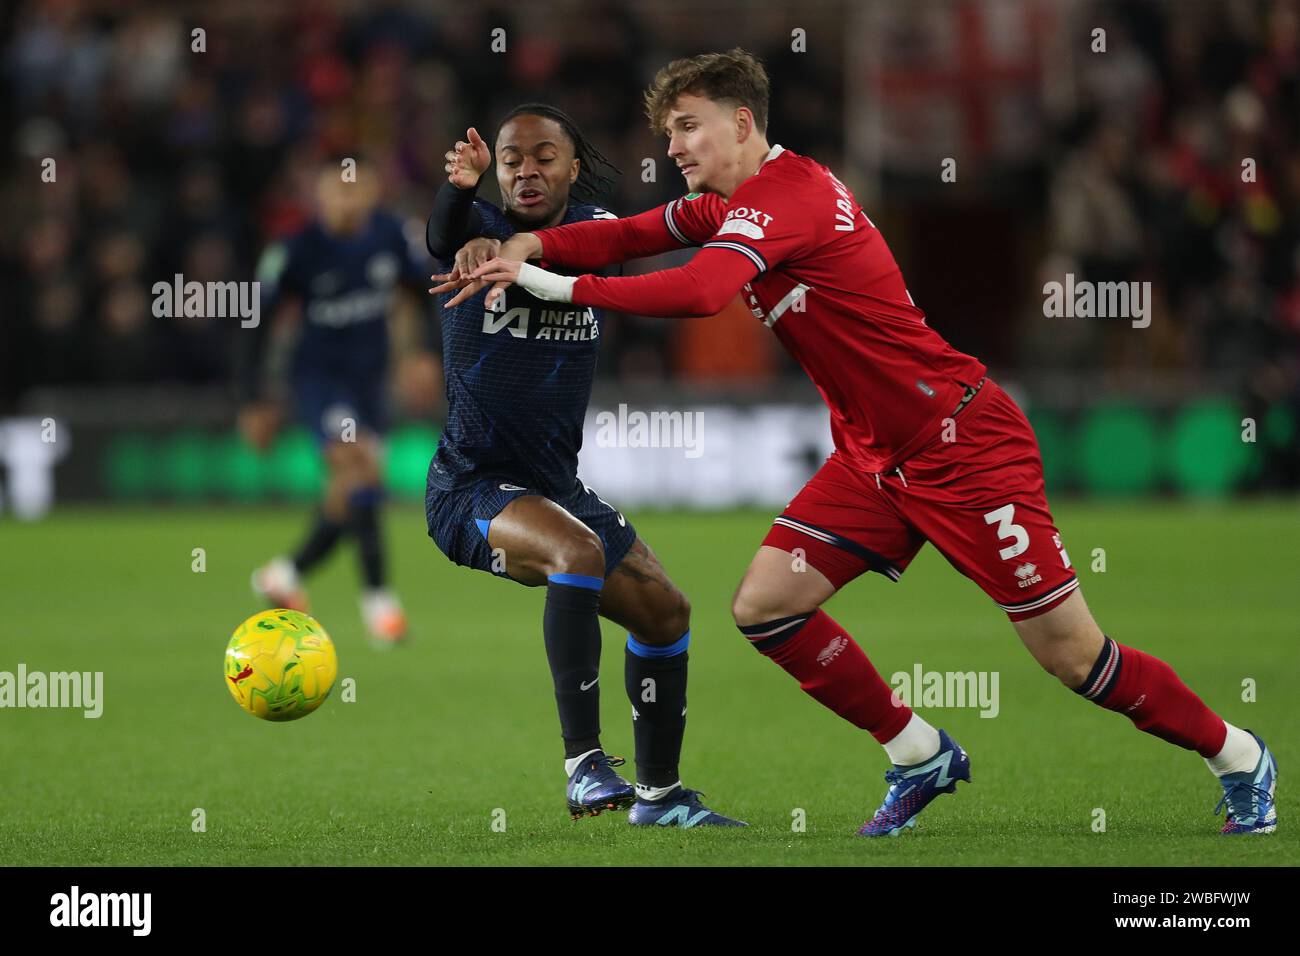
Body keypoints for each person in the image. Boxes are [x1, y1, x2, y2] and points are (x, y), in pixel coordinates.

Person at [434, 49, 1278, 837]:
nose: (674, 147)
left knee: (1073, 657)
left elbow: (698, 293)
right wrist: (526, 240)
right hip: (876, 458)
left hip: (961, 445)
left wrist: (543, 278)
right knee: (765, 606)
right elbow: (628, 234)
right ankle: (918, 751)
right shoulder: (732, 202)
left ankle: (1240, 757)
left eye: (688, 127)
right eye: (666, 134)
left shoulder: (787, 197)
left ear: (741, 123)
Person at [425, 104, 742, 826]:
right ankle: (583, 765)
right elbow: (444, 236)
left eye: (544, 157)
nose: (526, 171)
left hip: (555, 486)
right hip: (469, 486)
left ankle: (660, 798)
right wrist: (462, 208)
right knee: (577, 551)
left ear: (573, 167)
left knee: (665, 612)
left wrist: (521, 251)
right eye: (511, 160)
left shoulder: (598, 231)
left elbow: (588, 248)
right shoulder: (474, 236)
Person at [239, 158, 437, 647]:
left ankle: (285, 574)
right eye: (336, 191)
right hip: (320, 382)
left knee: (354, 489)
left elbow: (424, 291)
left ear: (372, 193)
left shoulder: (393, 235)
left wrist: (424, 356)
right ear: (318, 196)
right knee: (360, 468)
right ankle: (380, 603)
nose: (346, 201)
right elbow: (255, 323)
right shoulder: (296, 250)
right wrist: (254, 399)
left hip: (372, 384)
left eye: (355, 190)